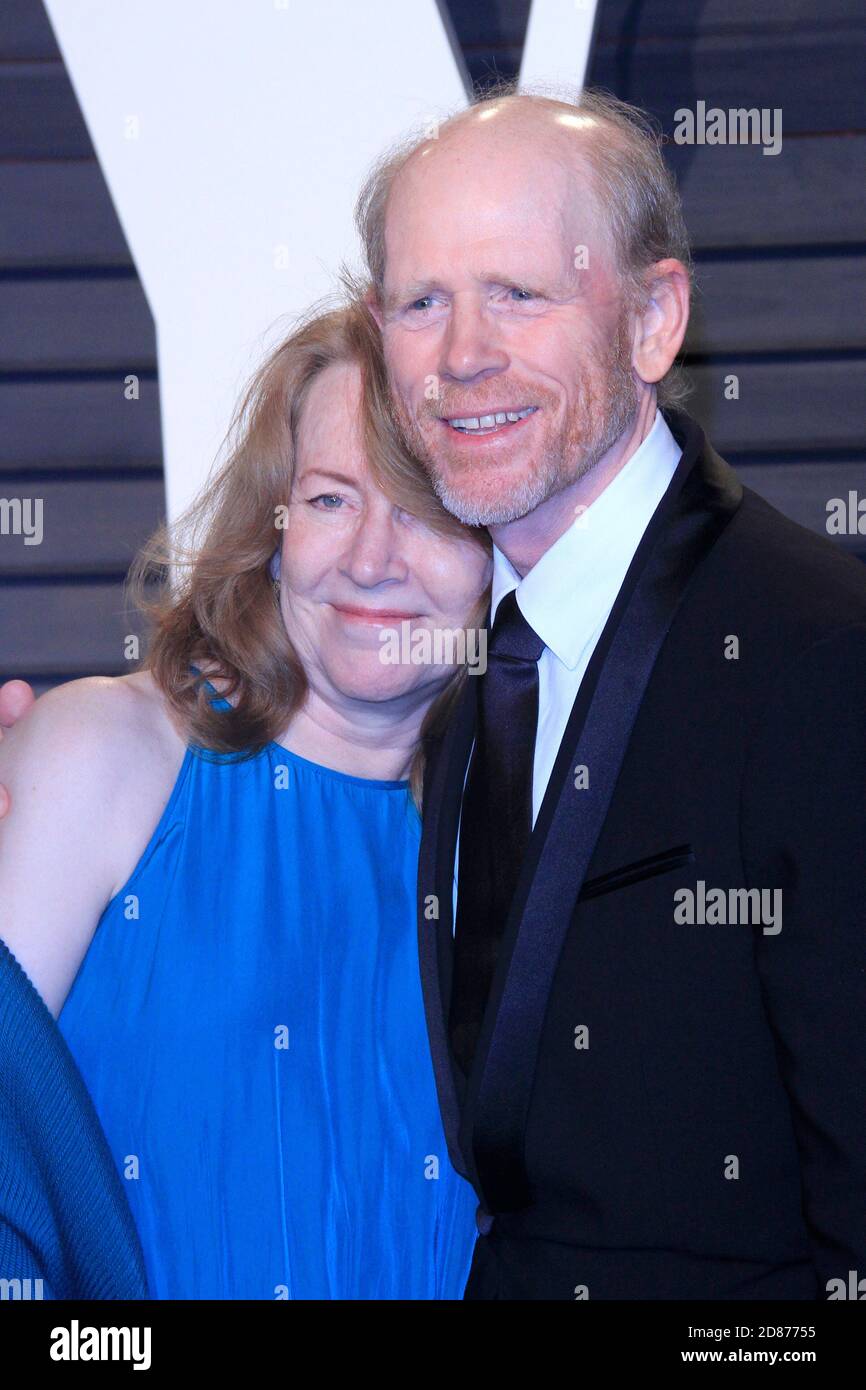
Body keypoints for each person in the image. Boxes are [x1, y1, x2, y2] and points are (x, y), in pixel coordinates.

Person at [352, 84, 866, 1299]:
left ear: (651, 320)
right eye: (422, 300)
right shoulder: (476, 644)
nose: (462, 353)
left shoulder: (813, 656)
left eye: (518, 293)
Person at [0, 296, 490, 1299]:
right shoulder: (106, 754)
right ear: (271, 526)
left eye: (426, 508)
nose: (368, 560)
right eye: (328, 499)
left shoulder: (519, 843)